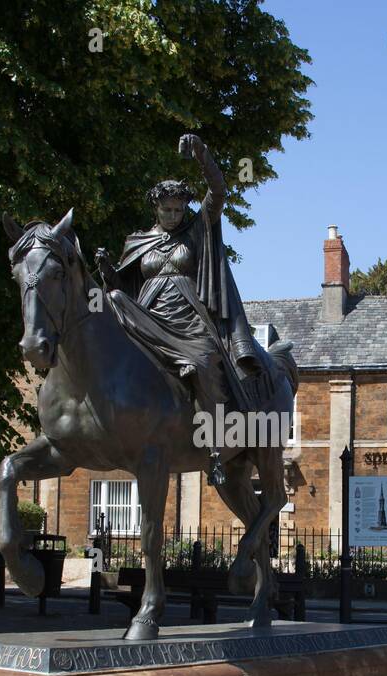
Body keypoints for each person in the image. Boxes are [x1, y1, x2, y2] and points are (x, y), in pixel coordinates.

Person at [96, 134, 261, 484]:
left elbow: (218, 193)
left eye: (178, 209)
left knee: (203, 363)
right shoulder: (137, 242)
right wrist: (108, 272)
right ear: (154, 209)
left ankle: (216, 443)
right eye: (166, 210)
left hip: (190, 321)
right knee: (112, 303)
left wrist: (202, 154)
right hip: (148, 316)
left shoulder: (197, 229)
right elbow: (125, 286)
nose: (172, 215)